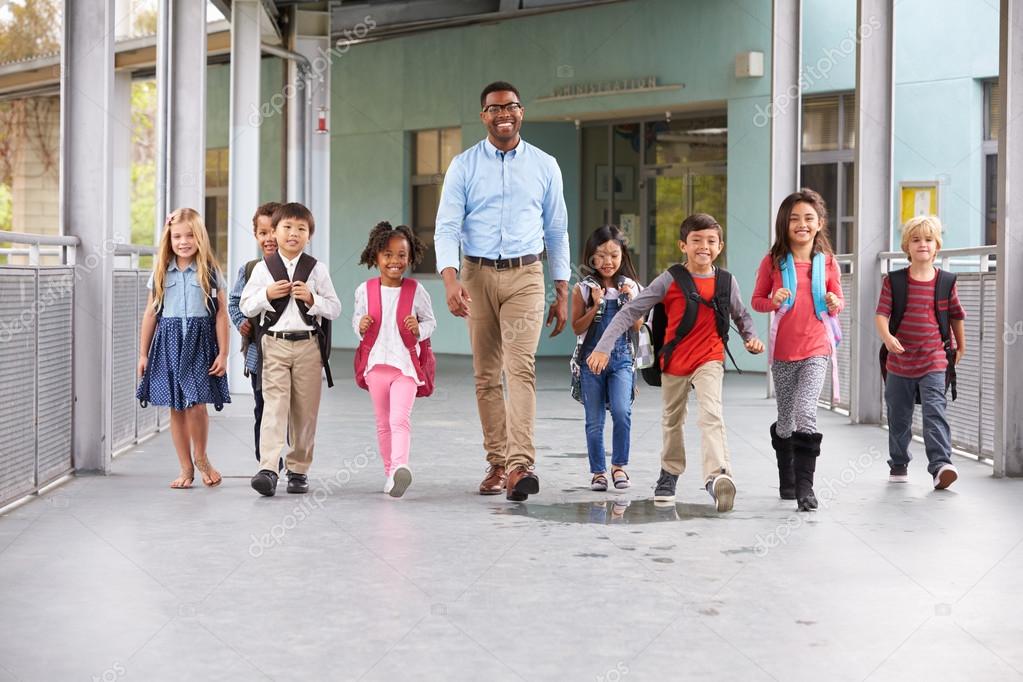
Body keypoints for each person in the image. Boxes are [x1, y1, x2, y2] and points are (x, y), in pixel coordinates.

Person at [434, 80, 570, 502]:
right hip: (475, 275)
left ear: (521, 111)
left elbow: (557, 229)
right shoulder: (464, 165)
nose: (503, 114)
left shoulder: (546, 165)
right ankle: (496, 461)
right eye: (494, 109)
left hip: (527, 276)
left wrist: (562, 287)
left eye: (510, 106)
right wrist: (451, 278)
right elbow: (447, 225)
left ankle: (519, 465)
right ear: (484, 116)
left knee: (520, 367)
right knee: (486, 374)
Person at [588, 213, 764, 512]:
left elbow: (741, 314)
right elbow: (631, 312)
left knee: (712, 415)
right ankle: (669, 474)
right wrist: (603, 347)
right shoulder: (670, 279)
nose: (703, 246)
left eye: (711, 241)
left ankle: (718, 476)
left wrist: (751, 337)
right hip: (674, 362)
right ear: (683, 245)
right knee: (672, 421)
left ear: (719, 247)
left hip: (709, 359)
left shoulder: (726, 281)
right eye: (696, 240)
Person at [751, 189, 844, 512]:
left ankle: (806, 488)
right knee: (786, 420)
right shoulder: (773, 261)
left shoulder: (828, 263)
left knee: (806, 412)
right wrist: (773, 300)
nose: (802, 224)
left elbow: (837, 302)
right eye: (794, 219)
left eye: (808, 218)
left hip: (817, 347)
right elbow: (757, 300)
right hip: (783, 352)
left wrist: (834, 302)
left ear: (819, 223)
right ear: (784, 224)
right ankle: (787, 479)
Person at [240, 202, 341, 497]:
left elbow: (335, 308)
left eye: (301, 229)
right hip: (274, 342)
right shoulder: (262, 269)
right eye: (287, 228)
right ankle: (269, 468)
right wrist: (266, 294)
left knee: (305, 411)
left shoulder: (317, 269)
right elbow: (246, 305)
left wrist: (313, 299)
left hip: (309, 345)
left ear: (309, 235)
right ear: (275, 232)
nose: (293, 234)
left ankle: (298, 470)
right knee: (274, 406)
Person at [136, 208, 230, 489]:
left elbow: (221, 314)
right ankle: (185, 467)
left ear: (199, 237)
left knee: (197, 404)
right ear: (169, 238)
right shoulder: (161, 273)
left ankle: (201, 457)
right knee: (176, 406)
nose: (184, 241)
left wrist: (223, 353)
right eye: (177, 236)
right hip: (169, 342)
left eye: (190, 235)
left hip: (200, 343)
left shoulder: (211, 272)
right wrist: (143, 353)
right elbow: (151, 313)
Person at [875, 215, 965, 489]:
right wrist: (888, 338)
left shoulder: (946, 281)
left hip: (934, 359)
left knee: (935, 412)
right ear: (907, 247)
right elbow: (881, 314)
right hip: (899, 362)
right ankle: (899, 463)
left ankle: (941, 466)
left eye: (928, 240)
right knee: (898, 414)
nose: (922, 244)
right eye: (916, 240)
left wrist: (960, 344)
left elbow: (955, 315)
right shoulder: (895, 281)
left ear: (936, 246)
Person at [353, 222, 436, 498]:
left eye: (401, 255)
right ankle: (390, 474)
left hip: (406, 367)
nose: (395, 261)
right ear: (375, 256)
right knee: (382, 422)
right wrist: (360, 325)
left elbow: (430, 322)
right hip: (376, 366)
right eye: (388, 254)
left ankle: (401, 466)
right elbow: (356, 321)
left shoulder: (416, 290)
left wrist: (419, 328)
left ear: (410, 258)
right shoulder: (364, 290)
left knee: (400, 419)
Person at [570, 225, 642, 492]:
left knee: (623, 412)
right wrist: (597, 306)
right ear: (591, 256)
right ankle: (598, 472)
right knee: (594, 420)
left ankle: (619, 466)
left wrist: (629, 302)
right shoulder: (584, 289)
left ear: (623, 255)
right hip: (590, 362)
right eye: (600, 255)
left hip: (622, 359)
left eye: (614, 254)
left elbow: (636, 327)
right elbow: (577, 328)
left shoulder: (631, 286)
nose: (607, 262)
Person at [228, 201, 281, 464]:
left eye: (274, 231)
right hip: (257, 354)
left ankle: (290, 461)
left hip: (290, 351)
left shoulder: (300, 269)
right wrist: (240, 322)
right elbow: (234, 302)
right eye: (263, 232)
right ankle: (266, 463)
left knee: (288, 410)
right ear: (256, 235)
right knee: (262, 406)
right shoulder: (249, 269)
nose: (269, 238)